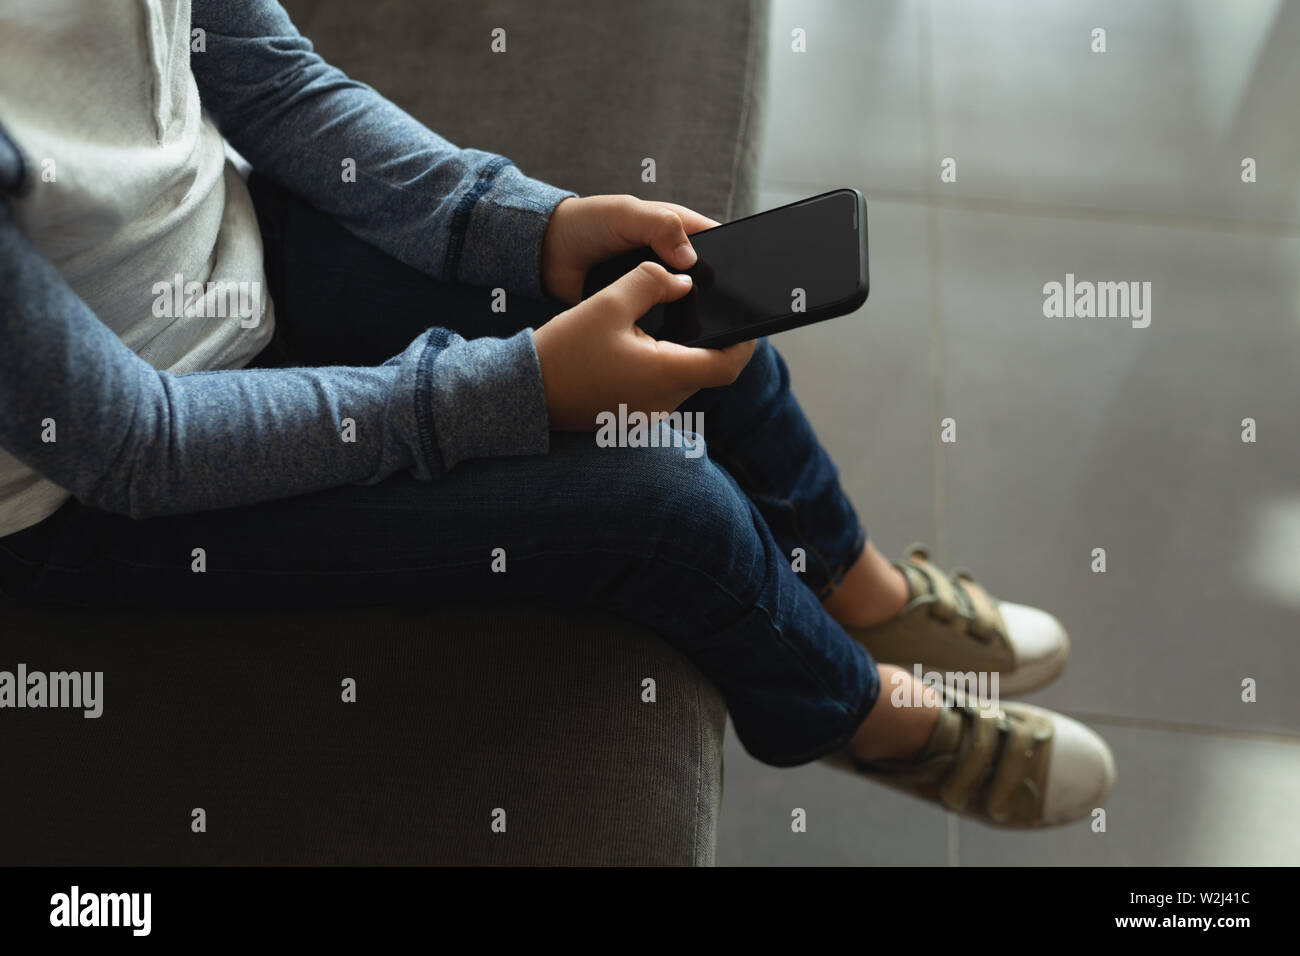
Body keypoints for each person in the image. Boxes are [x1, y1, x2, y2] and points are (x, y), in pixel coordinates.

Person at [0, 0, 1114, 829]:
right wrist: (522, 385)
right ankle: (859, 714)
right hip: (94, 486)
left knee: (696, 310)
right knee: (667, 509)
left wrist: (525, 224)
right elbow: (128, 444)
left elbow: (270, 81)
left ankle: (858, 589)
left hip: (236, 257)